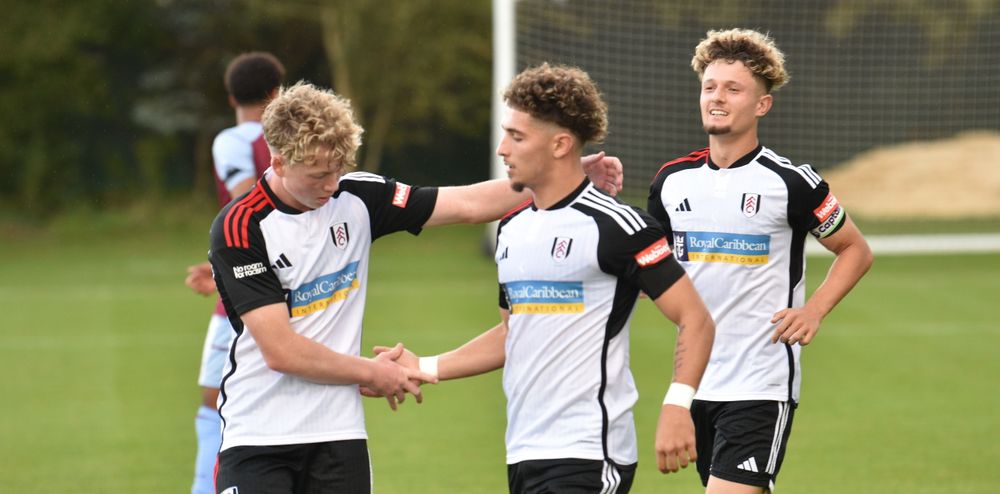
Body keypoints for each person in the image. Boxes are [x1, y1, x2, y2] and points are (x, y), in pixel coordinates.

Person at [207, 80, 624, 494]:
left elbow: (467, 205)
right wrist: (373, 371)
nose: (332, 185)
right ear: (279, 163)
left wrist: (557, 176)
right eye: (318, 175)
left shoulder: (358, 198)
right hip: (258, 436)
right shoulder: (240, 227)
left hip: (338, 433)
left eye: (338, 169)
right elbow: (282, 351)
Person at [377, 63, 716, 493]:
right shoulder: (512, 228)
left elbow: (695, 318)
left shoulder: (618, 226)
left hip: (590, 451)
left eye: (517, 137)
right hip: (524, 451)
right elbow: (513, 331)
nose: (502, 148)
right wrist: (425, 366)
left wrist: (676, 404)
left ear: (560, 144)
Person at [647, 29, 874, 493]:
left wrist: (815, 309)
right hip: (697, 381)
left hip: (761, 380)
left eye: (733, 89)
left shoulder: (790, 182)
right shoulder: (671, 182)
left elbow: (855, 249)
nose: (717, 97)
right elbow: (649, 263)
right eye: (710, 86)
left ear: (761, 105)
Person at [183, 51, 285, 494]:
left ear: (231, 97)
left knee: (214, 400)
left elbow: (249, 207)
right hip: (294, 278)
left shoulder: (234, 140)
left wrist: (224, 261)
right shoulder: (295, 137)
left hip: (244, 288)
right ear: (276, 93)